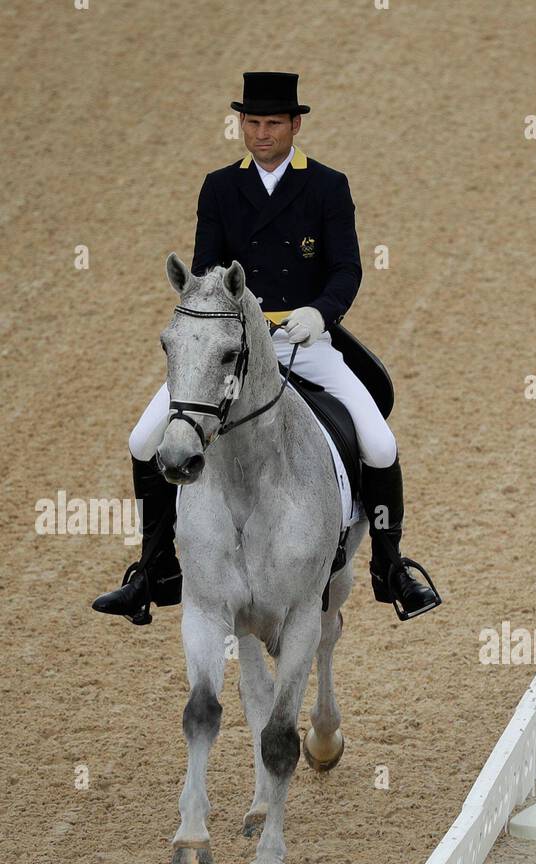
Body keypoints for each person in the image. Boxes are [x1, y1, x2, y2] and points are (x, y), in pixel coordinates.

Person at [93, 70, 440, 625]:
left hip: (307, 340)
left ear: (294, 124)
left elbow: (347, 268)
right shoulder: (220, 187)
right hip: (232, 346)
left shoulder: (327, 185)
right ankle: (153, 572)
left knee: (379, 443)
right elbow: (206, 269)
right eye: (251, 122)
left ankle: (391, 569)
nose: (260, 133)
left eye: (272, 123)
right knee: (142, 440)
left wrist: (319, 313)